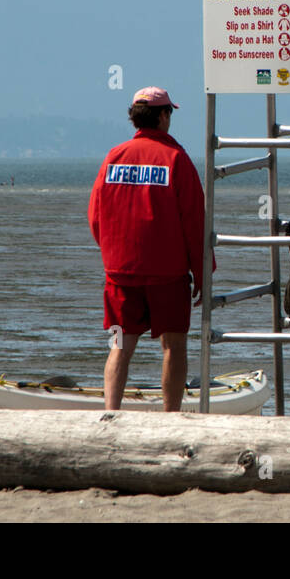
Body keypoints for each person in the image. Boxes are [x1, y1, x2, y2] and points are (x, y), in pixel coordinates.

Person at [88, 86, 211, 412]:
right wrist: (202, 271)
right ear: (163, 115)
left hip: (119, 274)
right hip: (167, 275)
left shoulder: (113, 157)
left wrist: (113, 254)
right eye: (170, 112)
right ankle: (170, 417)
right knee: (173, 346)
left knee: (119, 345)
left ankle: (110, 413)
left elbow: (95, 217)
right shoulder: (176, 160)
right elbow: (194, 224)